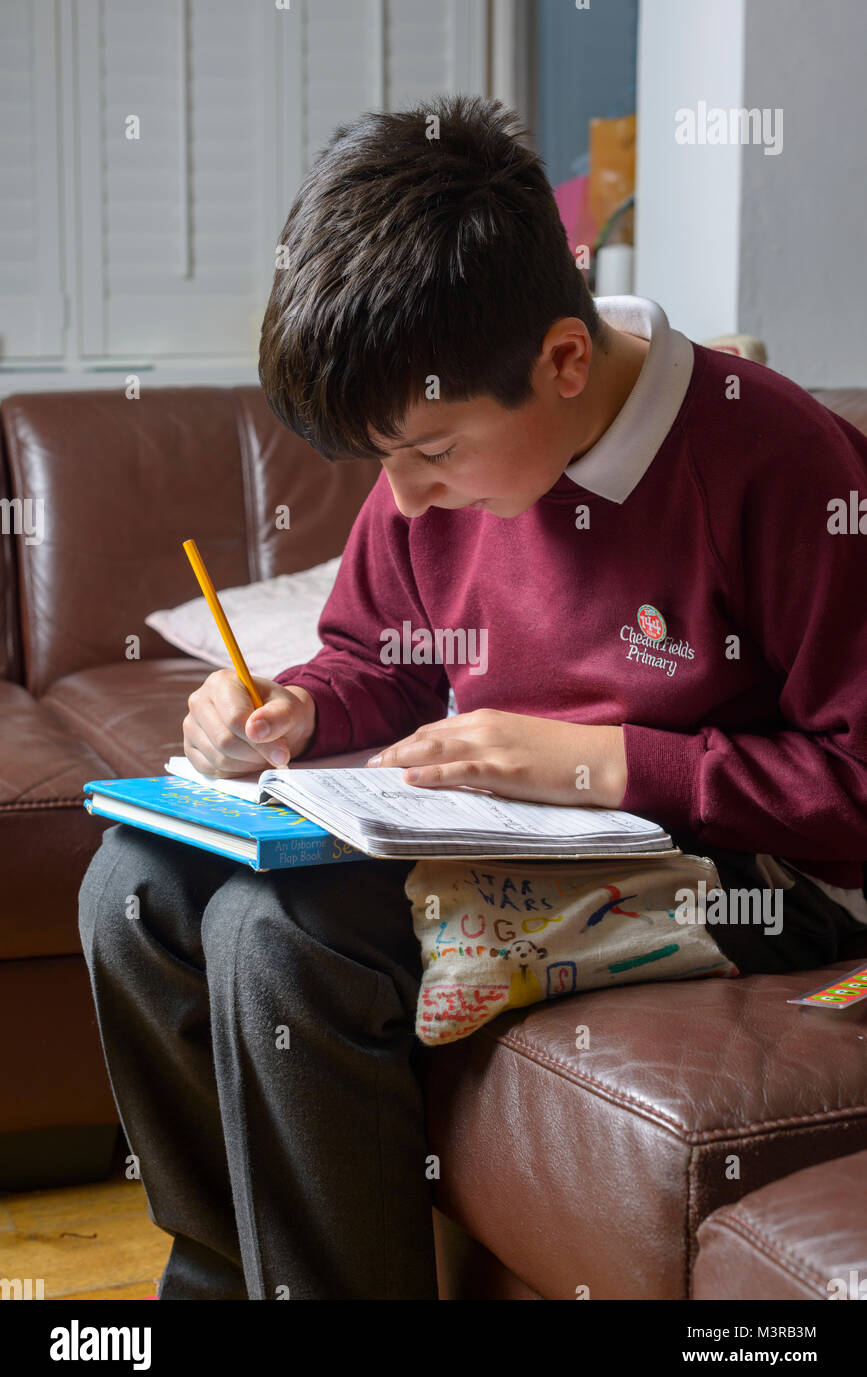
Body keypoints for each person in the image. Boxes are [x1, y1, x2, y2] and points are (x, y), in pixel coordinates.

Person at [78, 94, 867, 1301]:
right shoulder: (433, 467)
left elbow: (852, 786)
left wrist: (595, 762)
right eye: (383, 461)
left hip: (751, 876)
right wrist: (290, 709)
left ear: (560, 359)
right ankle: (223, 1280)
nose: (404, 497)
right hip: (521, 840)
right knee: (130, 893)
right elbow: (378, 653)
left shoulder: (779, 462)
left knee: (283, 937)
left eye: (432, 453)